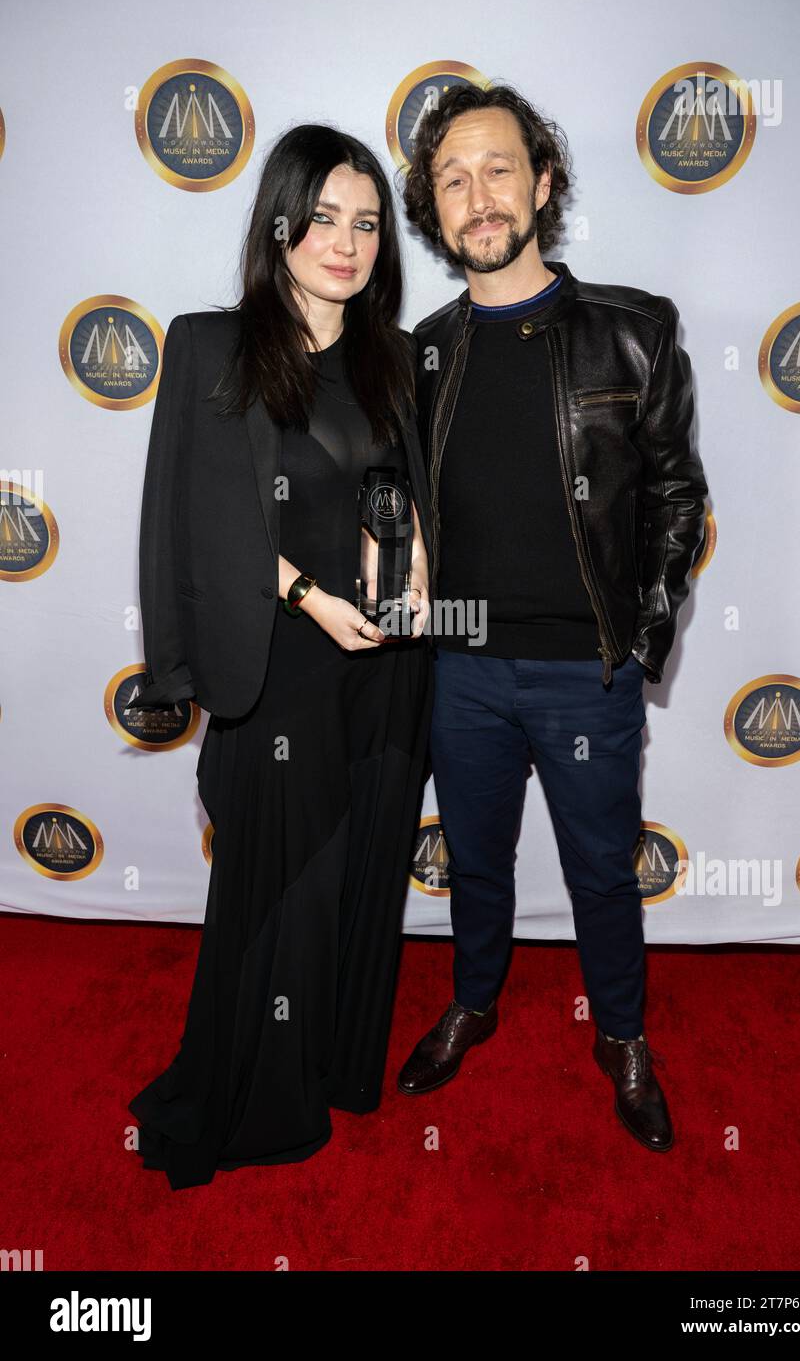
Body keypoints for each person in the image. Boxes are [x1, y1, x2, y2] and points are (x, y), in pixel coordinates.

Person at [397, 83, 710, 1152]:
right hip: (461, 671)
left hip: (588, 670)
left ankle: (619, 1035)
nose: (475, 196)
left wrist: (641, 642)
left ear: (540, 183)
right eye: (450, 179)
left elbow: (677, 496)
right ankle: (472, 999)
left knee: (597, 869)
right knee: (474, 859)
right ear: (432, 211)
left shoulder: (633, 333)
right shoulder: (418, 353)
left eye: (495, 169)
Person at [127, 124, 433, 1190]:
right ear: (279, 221)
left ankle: (332, 1065)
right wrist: (306, 595)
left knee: (354, 881)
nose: (343, 243)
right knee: (280, 889)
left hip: (385, 671)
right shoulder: (211, 346)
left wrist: (417, 563)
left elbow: (399, 499)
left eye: (365, 223)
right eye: (323, 218)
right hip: (283, 663)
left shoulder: (392, 355)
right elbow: (194, 519)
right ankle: (253, 1098)